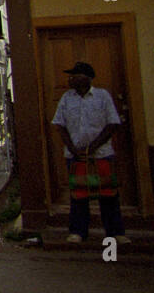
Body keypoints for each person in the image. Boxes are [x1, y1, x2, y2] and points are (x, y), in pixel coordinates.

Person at [51, 61, 127, 244]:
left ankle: (115, 232)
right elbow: (59, 125)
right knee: (78, 195)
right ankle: (78, 231)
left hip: (101, 154)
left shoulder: (102, 96)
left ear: (86, 78)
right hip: (75, 156)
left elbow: (113, 124)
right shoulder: (67, 98)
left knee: (108, 194)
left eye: (74, 75)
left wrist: (92, 148)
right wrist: (73, 148)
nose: (70, 79)